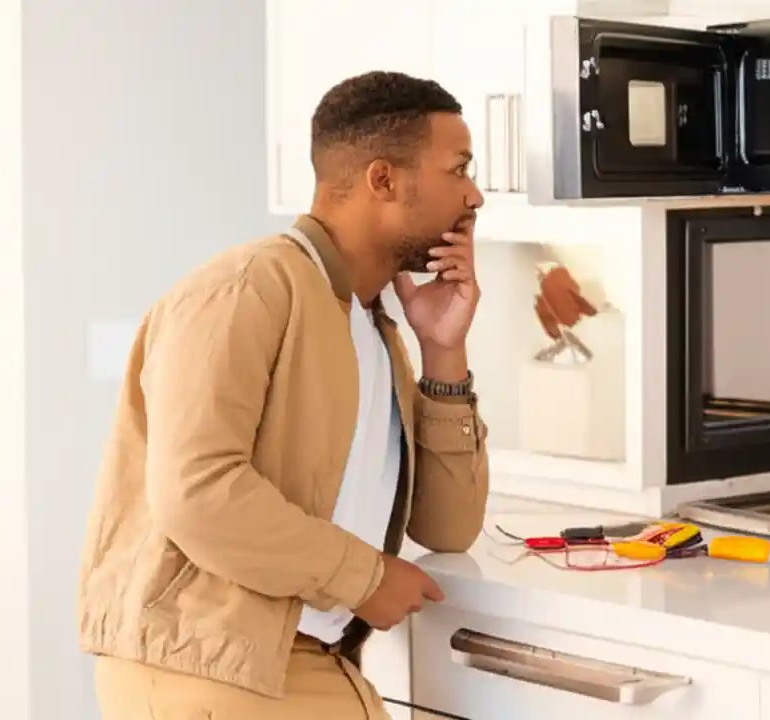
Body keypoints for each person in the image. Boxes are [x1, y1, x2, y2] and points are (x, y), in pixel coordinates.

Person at [77, 70, 489, 719]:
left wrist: (443, 351)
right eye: (458, 169)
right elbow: (198, 491)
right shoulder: (246, 288)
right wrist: (367, 578)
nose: (474, 195)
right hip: (207, 668)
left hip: (299, 665)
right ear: (384, 180)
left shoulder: (373, 327)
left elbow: (447, 527)